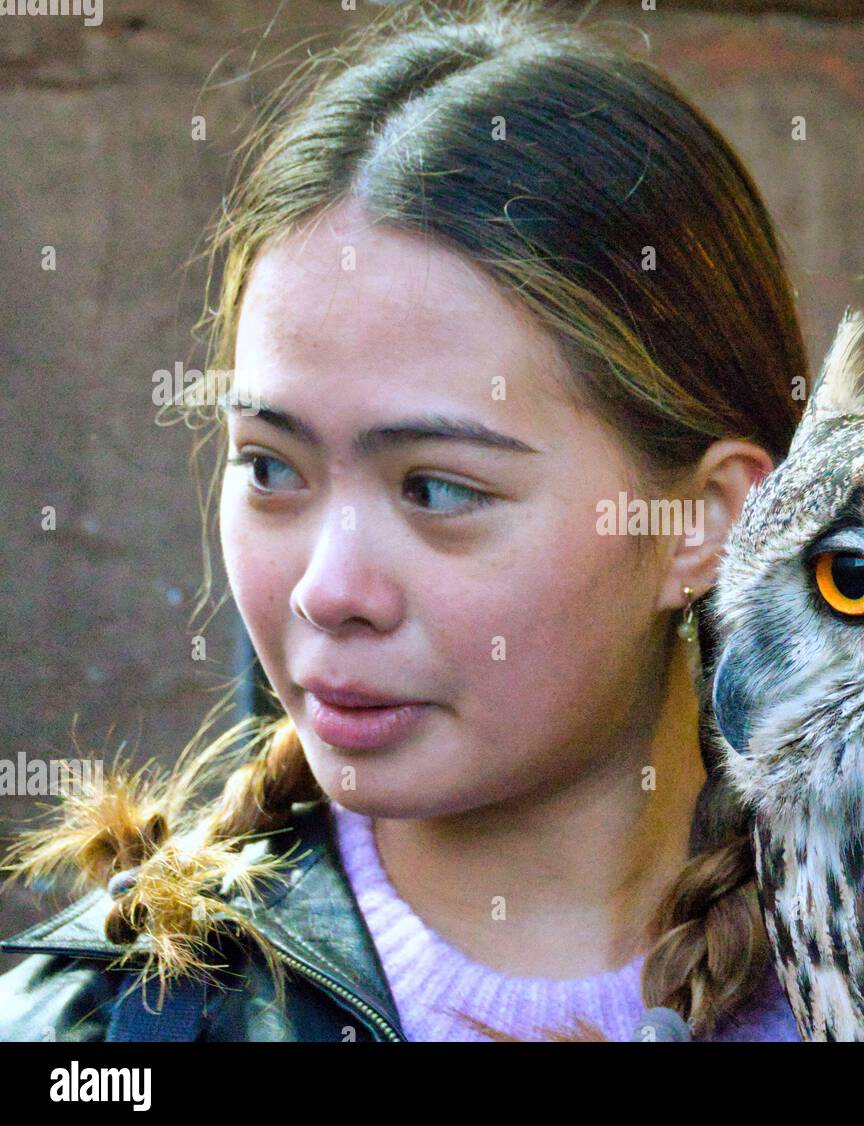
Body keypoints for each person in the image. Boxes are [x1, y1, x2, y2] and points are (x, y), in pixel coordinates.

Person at [0, 0, 809, 1042]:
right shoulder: (89, 1030)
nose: (326, 591)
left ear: (704, 520)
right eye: (269, 467)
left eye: (434, 489)